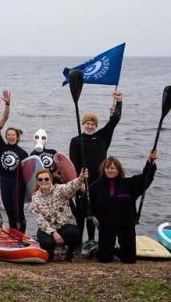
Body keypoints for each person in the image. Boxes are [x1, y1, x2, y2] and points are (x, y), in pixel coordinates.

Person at [69, 91, 123, 243]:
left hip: (99, 182)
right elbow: (73, 163)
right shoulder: (76, 140)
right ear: (83, 124)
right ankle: (78, 242)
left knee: (94, 213)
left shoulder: (102, 137)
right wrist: (79, 183)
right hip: (83, 182)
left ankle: (92, 240)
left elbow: (115, 121)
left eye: (93, 124)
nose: (90, 126)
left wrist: (118, 103)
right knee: (81, 213)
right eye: (88, 123)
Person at [89, 151, 157, 264]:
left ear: (118, 170)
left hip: (125, 223)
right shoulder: (95, 186)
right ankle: (102, 250)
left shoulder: (129, 184)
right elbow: (86, 203)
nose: (110, 170)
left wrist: (150, 162)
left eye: (113, 168)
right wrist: (92, 216)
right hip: (106, 225)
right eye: (108, 168)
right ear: (103, 169)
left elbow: (145, 178)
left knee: (129, 260)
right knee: (104, 259)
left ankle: (118, 251)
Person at [28, 167, 87, 261]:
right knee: (46, 242)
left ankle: (69, 252)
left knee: (73, 233)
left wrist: (80, 179)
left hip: (64, 225)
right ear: (38, 182)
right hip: (48, 228)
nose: (44, 181)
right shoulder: (35, 197)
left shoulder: (60, 189)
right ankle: (51, 254)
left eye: (46, 179)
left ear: (51, 180)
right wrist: (54, 233)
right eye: (40, 179)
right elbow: (40, 220)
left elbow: (71, 186)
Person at [0, 126, 28, 232]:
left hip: (18, 183)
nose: (11, 137)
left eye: (13, 135)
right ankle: (13, 231)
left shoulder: (23, 153)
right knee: (8, 210)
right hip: (4, 182)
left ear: (17, 137)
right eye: (9, 135)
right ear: (6, 136)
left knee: (18, 211)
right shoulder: (1, 147)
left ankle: (22, 233)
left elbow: (28, 173)